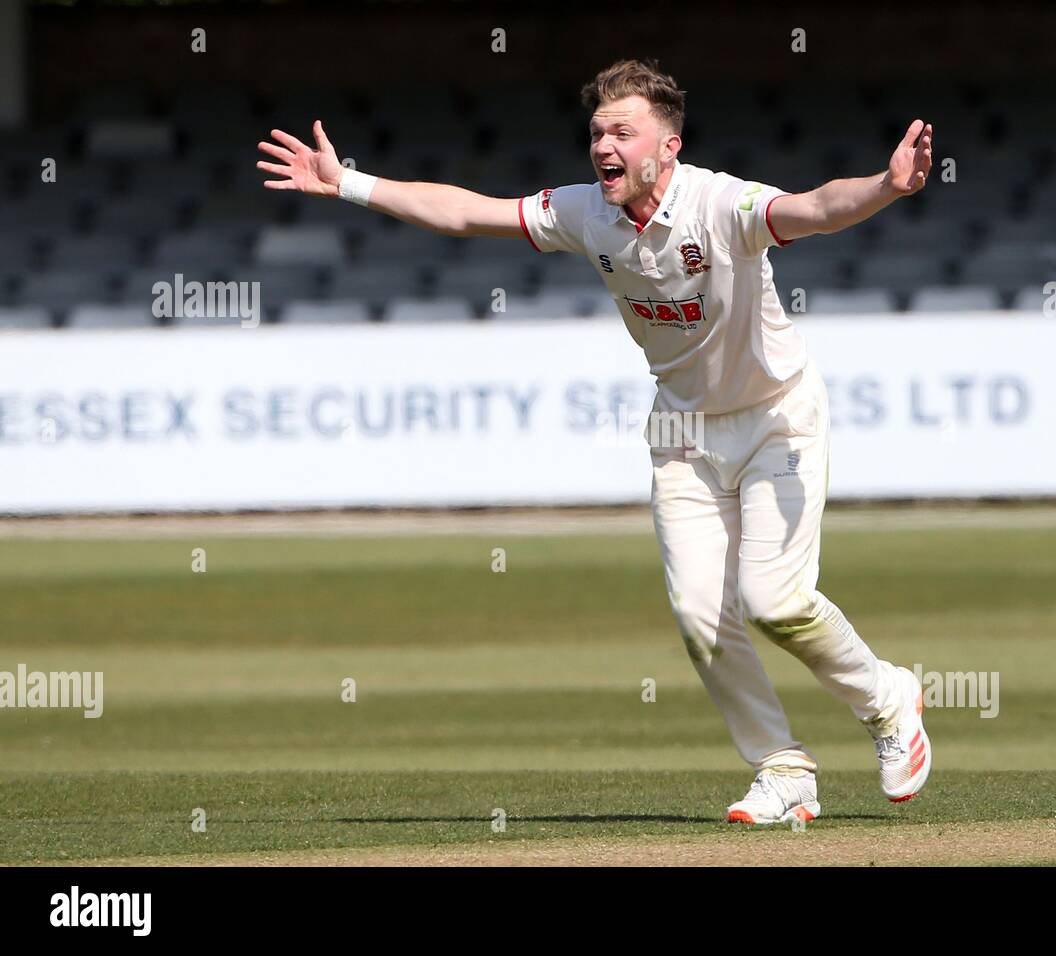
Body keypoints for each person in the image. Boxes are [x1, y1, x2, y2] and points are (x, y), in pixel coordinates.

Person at [257, 58, 934, 824]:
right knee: (699, 614)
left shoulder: (718, 203)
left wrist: (887, 187)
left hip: (777, 415)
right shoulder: (586, 212)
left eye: (623, 130)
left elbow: (813, 208)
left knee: (774, 602)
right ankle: (782, 771)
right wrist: (347, 181)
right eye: (596, 132)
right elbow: (466, 213)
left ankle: (887, 701)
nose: (604, 145)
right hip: (681, 430)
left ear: (668, 146)